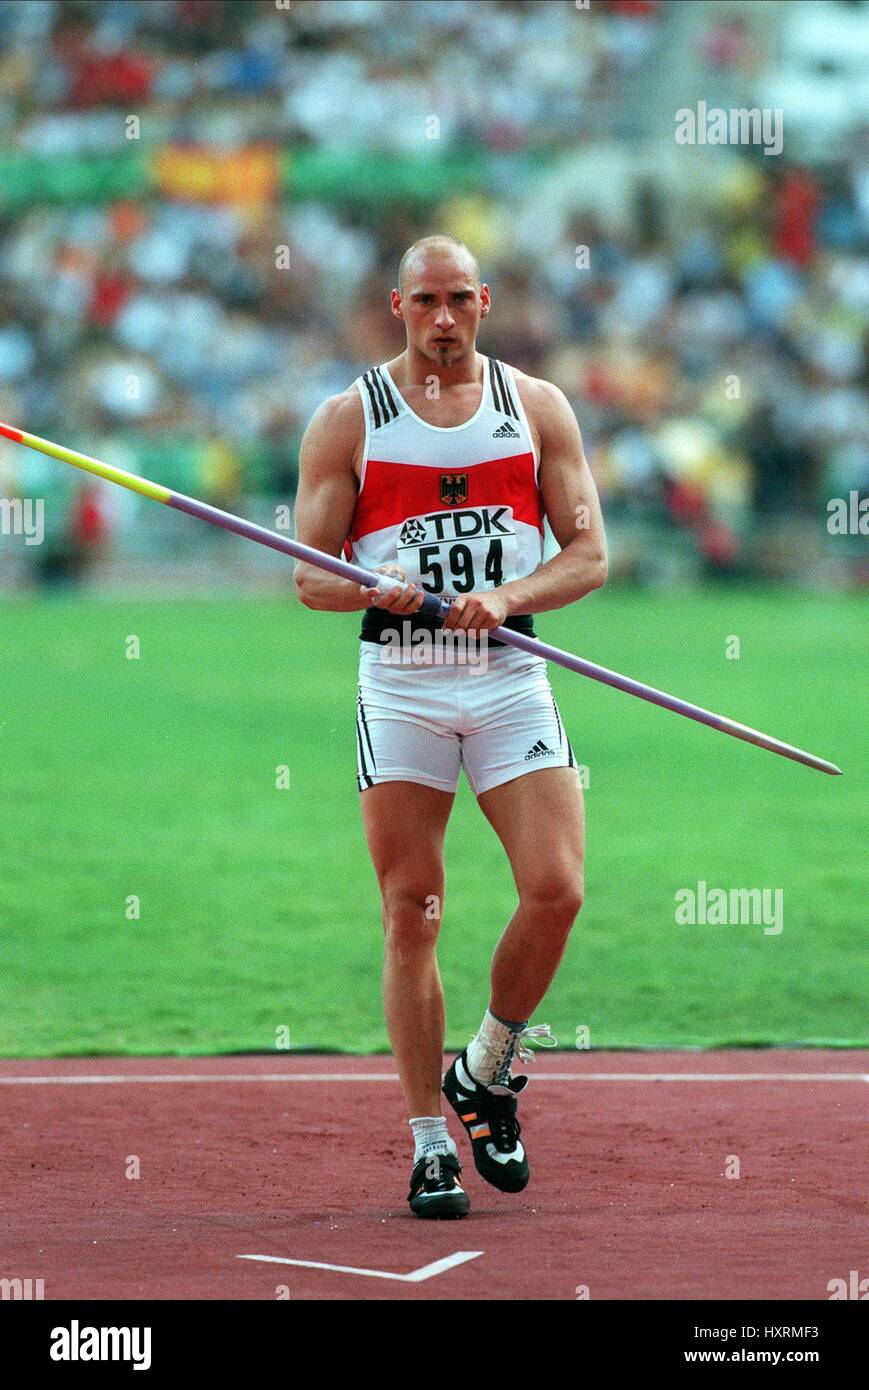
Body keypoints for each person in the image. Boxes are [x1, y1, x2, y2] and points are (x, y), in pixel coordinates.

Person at [294, 236, 607, 1218]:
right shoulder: (350, 418)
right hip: (402, 682)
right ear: (397, 305)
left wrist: (506, 595)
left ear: (485, 301)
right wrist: (367, 585)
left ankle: (486, 1068)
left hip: (508, 675)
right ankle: (429, 1140)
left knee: (555, 889)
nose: (442, 319)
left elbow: (588, 555)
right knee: (411, 908)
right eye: (424, 300)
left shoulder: (534, 407)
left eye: (458, 299)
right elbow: (308, 574)